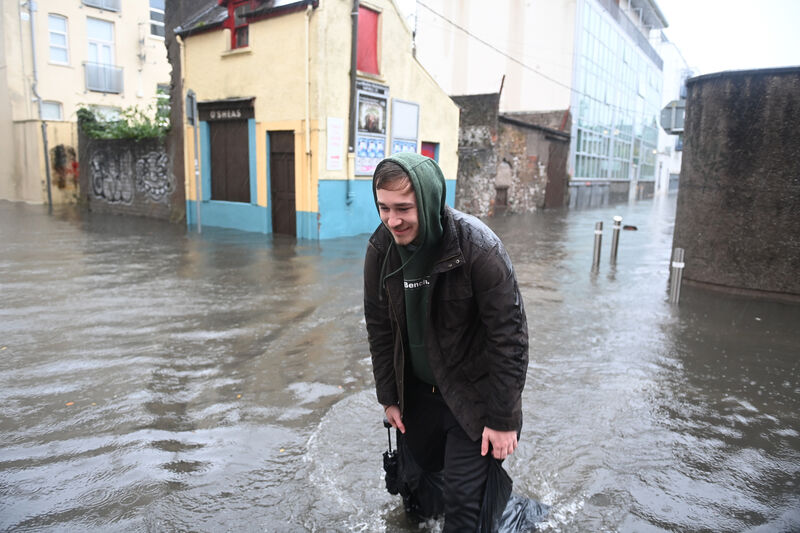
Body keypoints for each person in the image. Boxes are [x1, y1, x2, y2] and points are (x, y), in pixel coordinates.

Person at [363, 153, 529, 530]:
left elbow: (510, 338)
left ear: (429, 200)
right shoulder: (381, 250)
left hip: (471, 397)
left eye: (404, 208)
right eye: (384, 208)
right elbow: (379, 327)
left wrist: (503, 420)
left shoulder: (479, 250)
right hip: (416, 394)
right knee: (416, 499)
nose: (392, 220)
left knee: (463, 507)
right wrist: (389, 396)